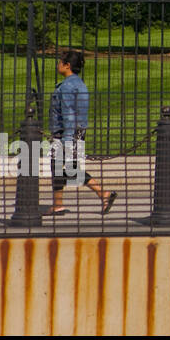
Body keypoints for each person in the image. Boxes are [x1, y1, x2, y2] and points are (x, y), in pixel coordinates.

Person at [48, 51, 116, 217]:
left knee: (60, 167)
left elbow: (69, 114)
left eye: (60, 62)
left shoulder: (67, 87)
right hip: (78, 131)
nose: (58, 65)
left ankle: (60, 205)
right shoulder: (79, 84)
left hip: (66, 132)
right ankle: (101, 195)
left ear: (67, 65)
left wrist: (66, 139)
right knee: (66, 168)